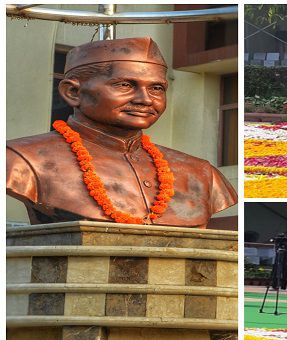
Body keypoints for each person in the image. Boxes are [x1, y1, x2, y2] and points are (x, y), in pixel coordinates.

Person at [6, 37, 237, 227]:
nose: (145, 99)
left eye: (157, 88)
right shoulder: (20, 160)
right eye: (125, 85)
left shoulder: (201, 173)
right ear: (72, 93)